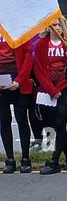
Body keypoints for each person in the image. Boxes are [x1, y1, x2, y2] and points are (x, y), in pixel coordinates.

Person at [32, 19, 67, 175]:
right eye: (54, 25)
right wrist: (52, 90)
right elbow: (39, 69)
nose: (57, 27)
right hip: (48, 89)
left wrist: (60, 88)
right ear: (48, 27)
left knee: (60, 122)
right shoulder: (41, 44)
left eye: (60, 25)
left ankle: (54, 161)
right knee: (55, 124)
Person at [0, 32, 34, 173]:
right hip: (1, 80)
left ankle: (25, 158)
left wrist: (20, 80)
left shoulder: (17, 29)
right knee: (4, 120)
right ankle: (10, 159)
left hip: (19, 79)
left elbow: (28, 57)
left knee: (22, 119)